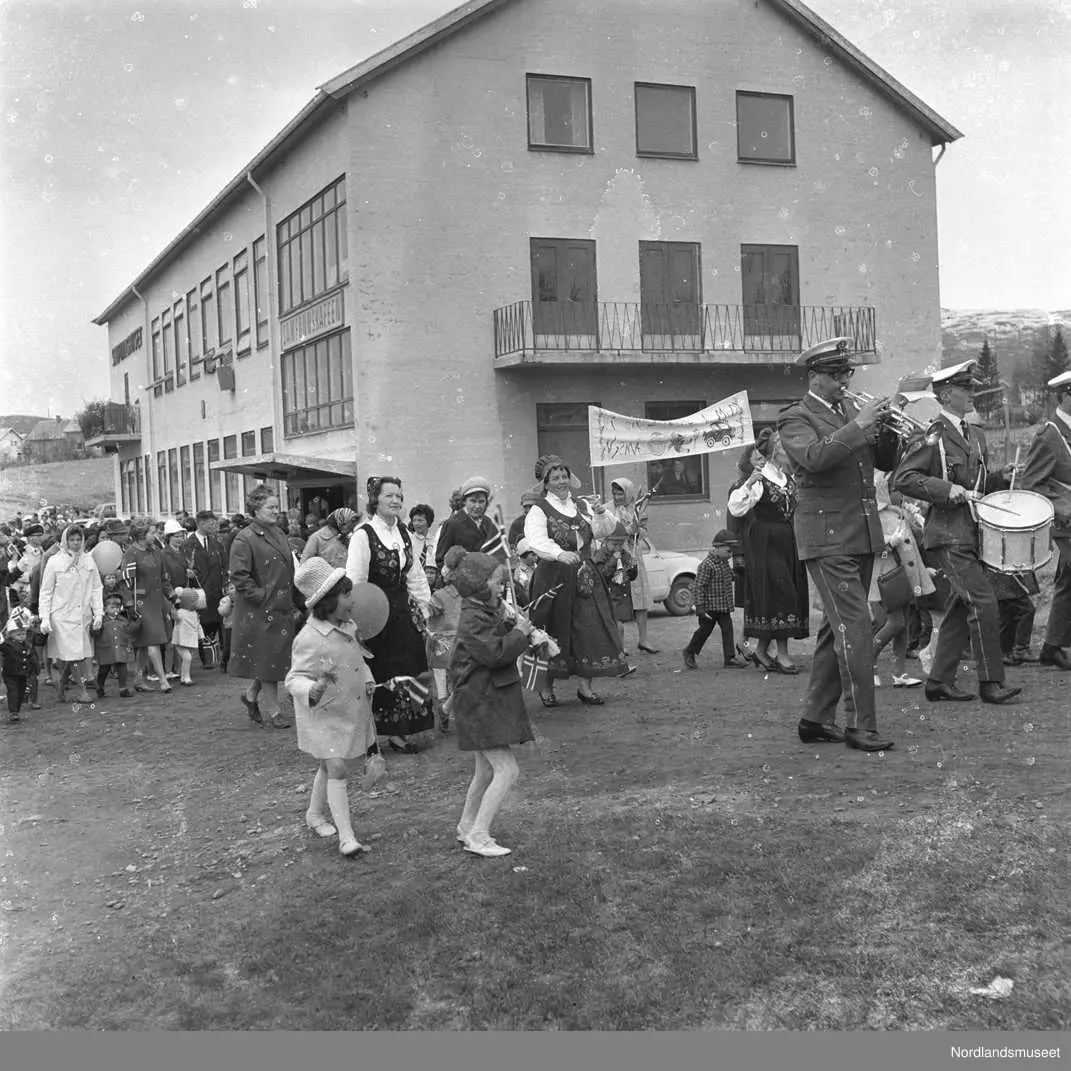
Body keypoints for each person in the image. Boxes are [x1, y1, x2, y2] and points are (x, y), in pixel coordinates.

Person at [777, 337, 900, 752]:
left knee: (837, 629)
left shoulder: (849, 411)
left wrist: (887, 429)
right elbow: (813, 458)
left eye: (847, 373)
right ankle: (859, 724)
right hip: (826, 537)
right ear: (813, 377)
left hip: (860, 533)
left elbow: (883, 463)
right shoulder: (794, 417)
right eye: (835, 375)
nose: (844, 381)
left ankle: (813, 719)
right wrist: (860, 425)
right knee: (857, 626)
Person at [891, 359, 1021, 705]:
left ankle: (938, 682)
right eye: (966, 389)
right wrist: (942, 488)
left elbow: (976, 485)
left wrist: (1001, 477)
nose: (972, 394)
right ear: (946, 394)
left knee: (962, 608)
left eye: (973, 388)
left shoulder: (975, 434)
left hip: (973, 531)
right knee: (983, 601)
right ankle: (990, 682)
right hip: (947, 535)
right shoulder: (931, 433)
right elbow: (902, 479)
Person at [449, 550, 548, 858]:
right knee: (507, 770)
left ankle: (467, 826)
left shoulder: (483, 611)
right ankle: (479, 836)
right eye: (496, 581)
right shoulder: (472, 618)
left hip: (483, 699)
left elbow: (496, 640)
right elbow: (493, 654)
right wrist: (519, 632)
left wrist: (519, 630)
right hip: (480, 702)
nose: (502, 586)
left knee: (485, 770)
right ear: (479, 585)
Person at [285, 558, 381, 859]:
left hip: (345, 709)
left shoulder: (349, 627)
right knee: (336, 766)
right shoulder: (309, 638)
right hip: (321, 712)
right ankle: (347, 837)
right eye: (347, 595)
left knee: (329, 765)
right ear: (329, 601)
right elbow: (294, 678)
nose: (352, 601)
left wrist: (367, 677)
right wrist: (309, 689)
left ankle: (314, 814)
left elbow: (359, 660)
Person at [523, 454, 628, 706]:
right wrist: (559, 553)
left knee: (588, 627)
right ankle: (546, 687)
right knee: (552, 630)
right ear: (545, 483)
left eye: (564, 476)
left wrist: (602, 514)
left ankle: (585, 686)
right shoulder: (539, 509)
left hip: (584, 577)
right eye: (555, 478)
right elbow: (535, 540)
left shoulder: (581, 504)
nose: (561, 482)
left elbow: (604, 531)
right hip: (553, 577)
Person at [346, 475, 434, 753]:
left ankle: (401, 732)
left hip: (402, 612)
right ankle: (371, 735)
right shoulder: (364, 535)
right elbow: (355, 580)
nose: (396, 500)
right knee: (382, 670)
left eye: (399, 495)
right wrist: (358, 625)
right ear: (375, 500)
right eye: (389, 496)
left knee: (407, 666)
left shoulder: (404, 532)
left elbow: (415, 574)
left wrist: (425, 605)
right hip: (374, 613)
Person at [727, 429, 809, 673]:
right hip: (765, 542)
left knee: (783, 592)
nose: (790, 453)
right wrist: (749, 483)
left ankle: (762, 650)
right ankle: (782, 654)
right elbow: (736, 508)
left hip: (789, 542)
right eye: (785, 448)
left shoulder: (789, 478)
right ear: (775, 451)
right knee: (781, 592)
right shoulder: (760, 478)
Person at [228, 484, 301, 729]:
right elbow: (239, 576)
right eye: (271, 507)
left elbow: (289, 568)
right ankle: (274, 712)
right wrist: (262, 596)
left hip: (282, 607)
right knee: (269, 660)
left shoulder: (278, 532)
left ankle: (250, 696)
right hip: (260, 611)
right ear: (256, 509)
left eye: (276, 507)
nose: (275, 511)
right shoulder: (244, 538)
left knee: (273, 657)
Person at [1018, 367, 1071, 670]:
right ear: (1064, 396)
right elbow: (1032, 484)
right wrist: (1064, 509)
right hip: (1067, 524)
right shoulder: (1049, 435)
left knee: (1067, 584)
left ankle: (1051, 647)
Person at [868, 472, 933, 688]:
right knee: (895, 623)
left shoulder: (895, 513)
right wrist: (888, 542)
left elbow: (912, 547)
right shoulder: (872, 517)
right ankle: (869, 662)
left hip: (902, 576)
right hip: (885, 578)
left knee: (902, 625)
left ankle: (900, 673)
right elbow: (874, 549)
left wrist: (923, 572)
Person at [38, 525, 104, 705]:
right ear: (65, 541)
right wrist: (44, 616)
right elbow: (46, 591)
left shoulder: (89, 561)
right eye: (72, 540)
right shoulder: (54, 562)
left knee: (76, 654)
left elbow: (97, 588)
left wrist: (98, 613)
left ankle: (61, 688)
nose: (75, 543)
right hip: (61, 616)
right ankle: (82, 692)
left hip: (83, 615)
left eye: (78, 540)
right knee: (74, 655)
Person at [118, 518, 173, 694]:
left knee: (144, 643)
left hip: (157, 601)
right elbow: (126, 582)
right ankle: (163, 680)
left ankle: (139, 678)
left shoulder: (156, 551)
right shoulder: (131, 554)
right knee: (153, 640)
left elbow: (163, 576)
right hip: (141, 602)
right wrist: (129, 605)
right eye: (152, 532)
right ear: (142, 535)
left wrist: (171, 595)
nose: (155, 535)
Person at [683, 530, 750, 670]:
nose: (730, 555)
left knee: (728, 629)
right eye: (728, 551)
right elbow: (699, 587)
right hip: (709, 608)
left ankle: (729, 658)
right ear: (718, 548)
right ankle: (689, 651)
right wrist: (700, 608)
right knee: (704, 631)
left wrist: (738, 572)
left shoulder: (723, 563)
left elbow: (729, 576)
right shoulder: (707, 565)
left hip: (723, 606)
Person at [609, 478, 659, 654]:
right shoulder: (609, 509)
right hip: (617, 559)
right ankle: (620, 645)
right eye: (615, 493)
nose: (617, 496)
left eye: (621, 492)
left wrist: (639, 526)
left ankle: (643, 639)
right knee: (619, 601)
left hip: (634, 557)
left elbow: (643, 533)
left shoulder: (636, 508)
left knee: (640, 599)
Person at [425, 545, 465, 734]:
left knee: (461, 680)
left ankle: (446, 709)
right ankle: (445, 708)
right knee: (444, 681)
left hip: (460, 642)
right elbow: (429, 618)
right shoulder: (439, 595)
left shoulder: (467, 593)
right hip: (443, 645)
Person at [433, 477, 498, 579]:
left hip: (485, 585)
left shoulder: (489, 523)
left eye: (481, 501)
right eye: (473, 501)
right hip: (460, 586)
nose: (477, 506)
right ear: (464, 502)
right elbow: (440, 559)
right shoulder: (452, 524)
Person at [186, 510, 228, 668]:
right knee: (204, 624)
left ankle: (221, 656)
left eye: (215, 523)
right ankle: (206, 658)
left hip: (217, 590)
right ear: (201, 523)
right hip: (200, 591)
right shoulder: (189, 544)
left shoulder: (216, 543)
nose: (214, 526)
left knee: (219, 623)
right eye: (211, 524)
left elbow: (224, 564)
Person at [2, 607, 41, 722]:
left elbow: (33, 657)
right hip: (10, 674)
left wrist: (37, 668)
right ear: (11, 635)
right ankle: (13, 712)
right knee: (13, 692)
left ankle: (17, 710)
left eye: (23, 633)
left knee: (21, 692)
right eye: (18, 634)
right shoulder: (7, 645)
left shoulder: (28, 645)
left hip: (23, 674)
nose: (22, 636)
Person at [93, 591, 134, 698]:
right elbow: (94, 634)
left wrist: (136, 622)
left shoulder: (123, 620)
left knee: (122, 667)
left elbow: (129, 632)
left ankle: (123, 688)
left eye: (117, 607)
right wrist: (95, 628)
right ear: (105, 609)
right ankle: (100, 687)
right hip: (105, 649)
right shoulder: (101, 621)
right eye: (112, 607)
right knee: (103, 670)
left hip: (120, 648)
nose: (115, 610)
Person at [407, 504, 437, 582]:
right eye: (414, 520)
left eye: (420, 520)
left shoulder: (435, 541)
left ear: (428, 522)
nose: (416, 523)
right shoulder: (408, 541)